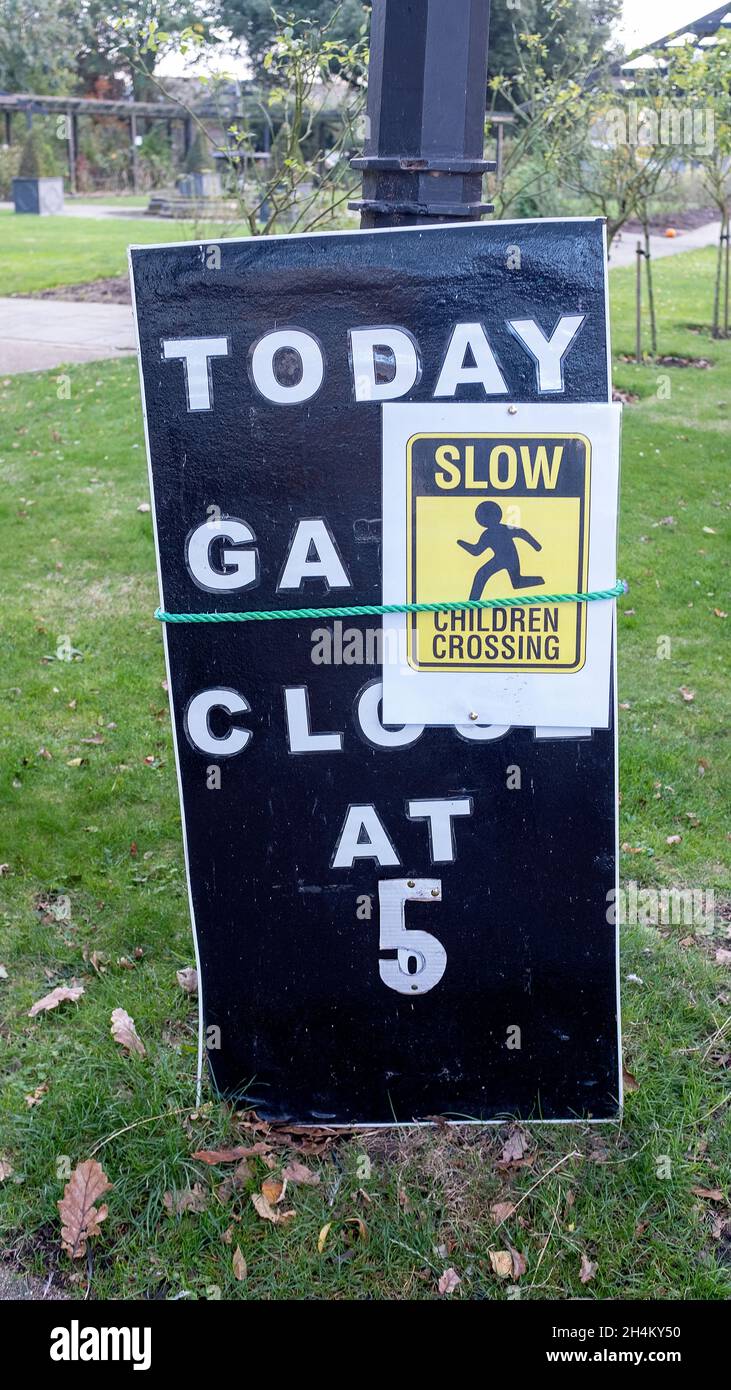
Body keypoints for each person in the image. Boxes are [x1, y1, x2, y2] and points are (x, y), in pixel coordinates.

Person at [457, 500, 544, 601]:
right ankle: (473, 602)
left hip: (510, 559)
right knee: (482, 574)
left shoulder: (502, 529)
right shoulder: (487, 535)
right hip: (503, 559)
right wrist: (462, 543)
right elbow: (476, 551)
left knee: (515, 582)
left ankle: (540, 580)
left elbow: (521, 532)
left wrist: (536, 546)